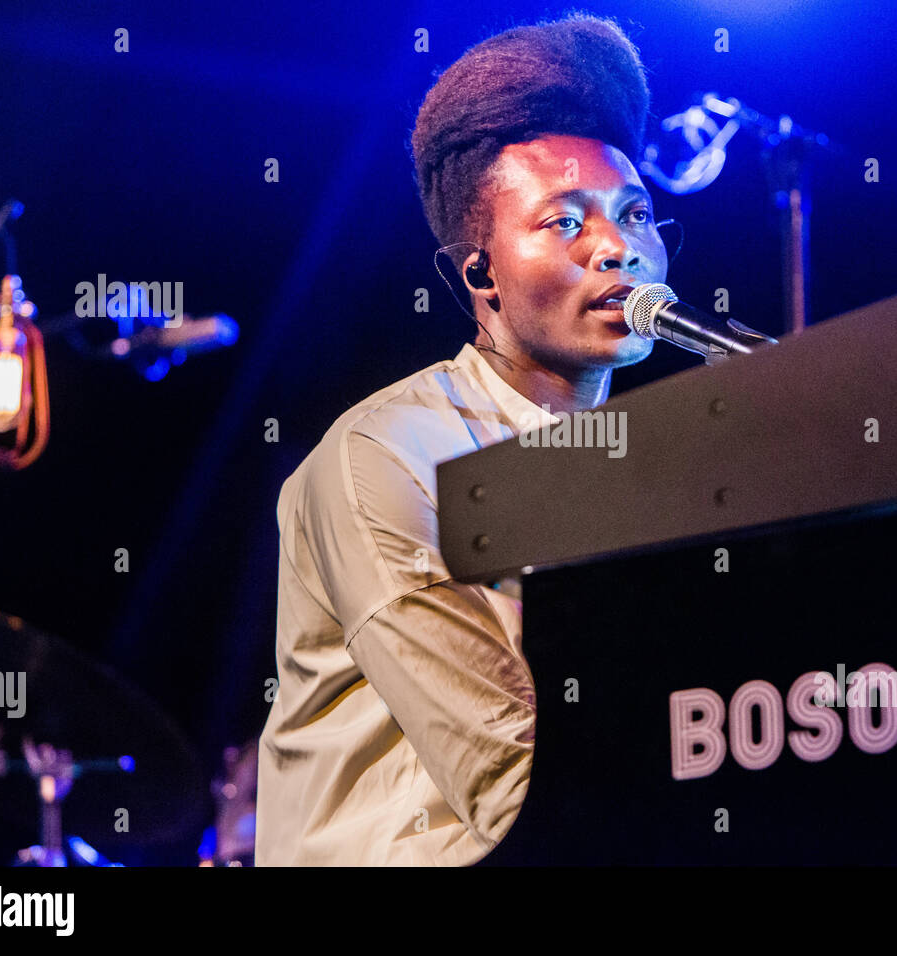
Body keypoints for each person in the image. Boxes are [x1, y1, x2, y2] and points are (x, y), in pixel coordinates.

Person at [255, 12, 668, 865]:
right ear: (478, 271)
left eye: (635, 212)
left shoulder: (652, 466)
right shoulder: (388, 455)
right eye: (565, 223)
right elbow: (509, 772)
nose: (618, 248)